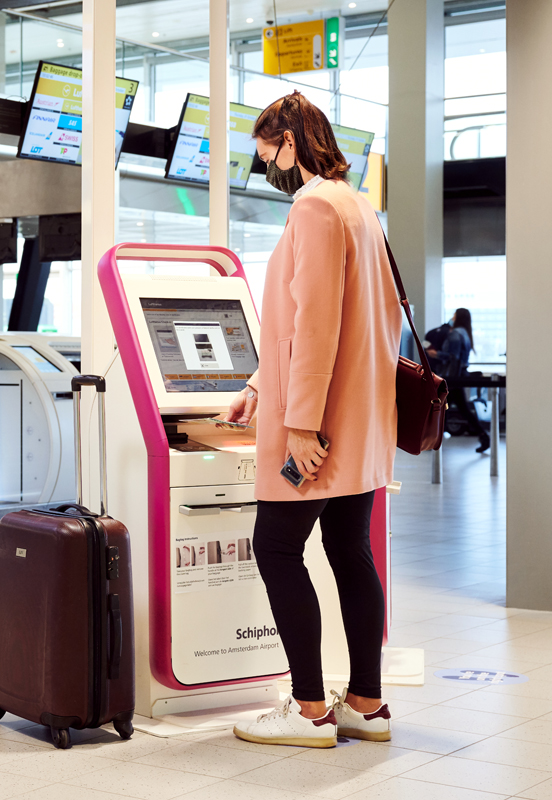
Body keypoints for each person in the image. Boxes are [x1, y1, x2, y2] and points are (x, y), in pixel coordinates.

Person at [221, 92, 400, 748]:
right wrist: (257, 385)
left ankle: (308, 709)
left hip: (319, 428)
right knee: (349, 550)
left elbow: (316, 323)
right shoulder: (358, 207)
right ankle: (366, 703)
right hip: (356, 422)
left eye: (265, 151)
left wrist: (299, 424)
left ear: (290, 143)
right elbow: (316, 320)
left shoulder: (317, 207)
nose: (263, 164)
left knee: (275, 548)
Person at [434, 308, 490, 453]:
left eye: (454, 315)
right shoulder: (465, 334)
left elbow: (452, 357)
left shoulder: (455, 334)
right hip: (458, 377)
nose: (452, 317)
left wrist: (436, 354)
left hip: (452, 378)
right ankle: (435, 439)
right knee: (450, 408)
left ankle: (434, 439)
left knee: (446, 407)